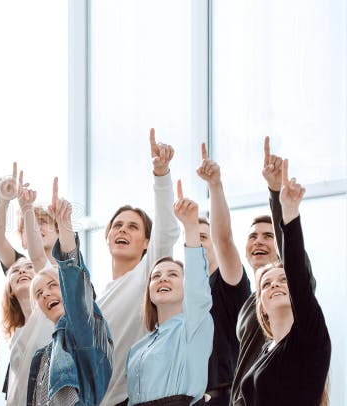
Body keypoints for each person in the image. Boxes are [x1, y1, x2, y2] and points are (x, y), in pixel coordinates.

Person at [230, 137, 316, 406]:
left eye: (268, 236)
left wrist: (276, 193)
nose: (259, 241)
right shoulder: (248, 305)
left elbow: (289, 245)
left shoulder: (293, 293)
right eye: (253, 236)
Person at [98, 129, 180, 406]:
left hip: (132, 398)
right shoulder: (97, 298)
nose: (123, 230)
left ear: (146, 242)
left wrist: (161, 174)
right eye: (117, 225)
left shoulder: (146, 275)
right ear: (107, 237)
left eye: (133, 227)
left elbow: (167, 230)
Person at [126, 180, 214, 405]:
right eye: (156, 276)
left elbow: (197, 283)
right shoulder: (137, 348)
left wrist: (190, 227)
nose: (163, 278)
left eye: (173, 274)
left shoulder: (194, 326)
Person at [26, 179, 113, 406]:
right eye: (39, 293)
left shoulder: (83, 331)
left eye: (53, 285)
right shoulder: (43, 356)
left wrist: (64, 227)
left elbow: (76, 292)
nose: (45, 294)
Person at [193, 143, 251, 405]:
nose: (197, 242)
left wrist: (214, 187)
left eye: (203, 237)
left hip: (226, 396)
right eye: (192, 238)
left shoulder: (228, 284)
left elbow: (224, 239)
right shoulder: (184, 297)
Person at [1, 176, 56, 406]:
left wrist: (27, 209)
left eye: (46, 222)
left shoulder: (57, 287)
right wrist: (6, 199)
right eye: (35, 223)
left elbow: (38, 258)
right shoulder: (18, 334)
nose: (24, 272)